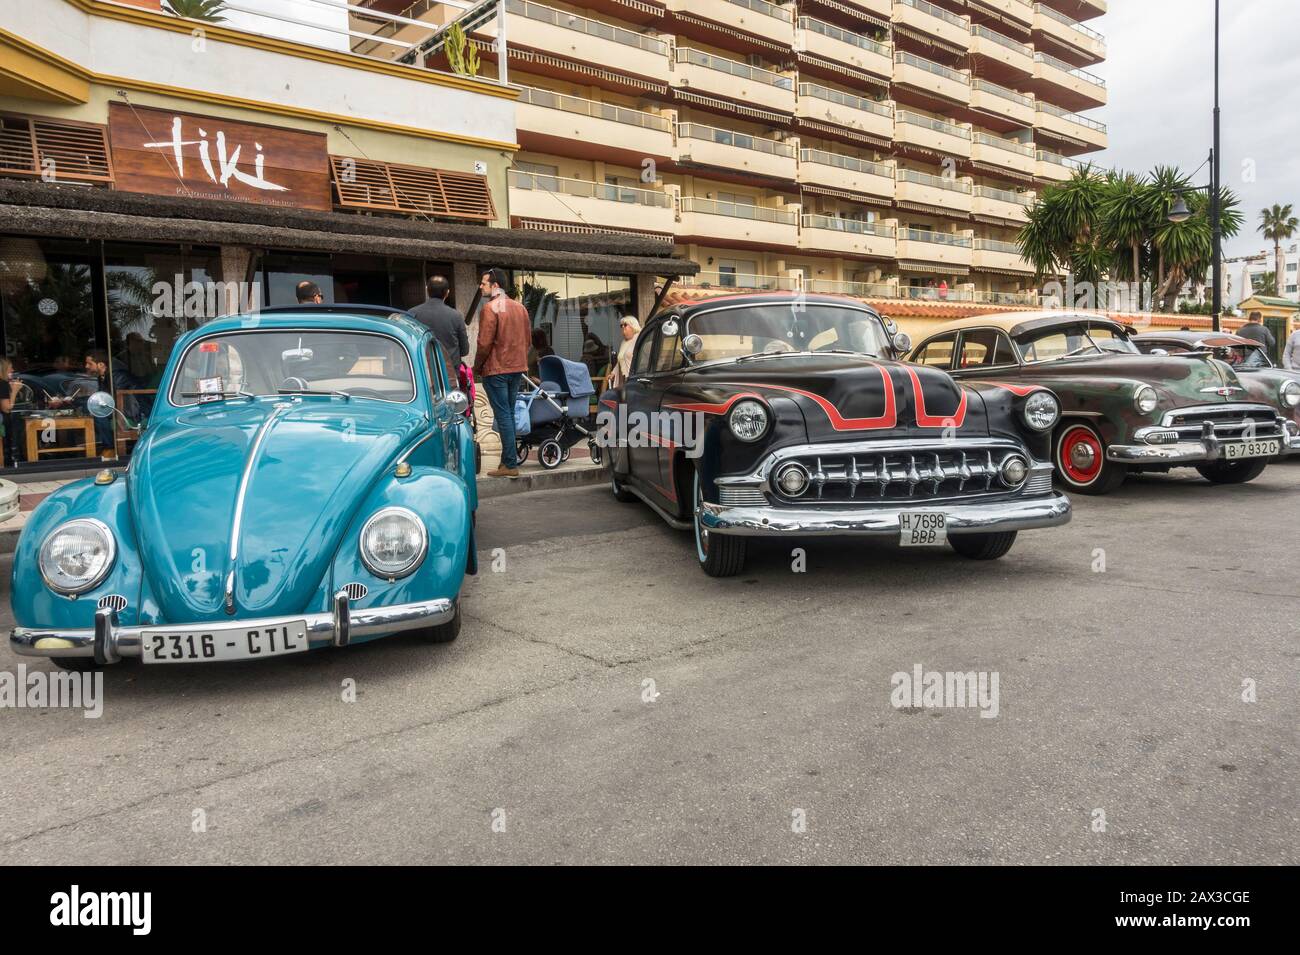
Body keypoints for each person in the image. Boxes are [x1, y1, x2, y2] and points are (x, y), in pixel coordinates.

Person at [473, 268, 530, 478]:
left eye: (484, 283)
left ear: (495, 285)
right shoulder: (520, 308)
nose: (481, 287)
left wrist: (476, 367)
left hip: (496, 369)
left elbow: (484, 343)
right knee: (508, 415)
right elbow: (528, 341)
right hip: (517, 368)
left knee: (503, 415)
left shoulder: (489, 308)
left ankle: (509, 463)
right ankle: (507, 461)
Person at [408, 275, 469, 383]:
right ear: (447, 293)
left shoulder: (412, 314)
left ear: (427, 290)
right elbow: (464, 350)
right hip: (450, 375)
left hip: (422, 374)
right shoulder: (456, 316)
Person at [610, 316, 640, 388]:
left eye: (625, 324)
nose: (623, 326)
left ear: (633, 326)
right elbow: (621, 359)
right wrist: (613, 373)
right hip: (624, 379)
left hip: (635, 378)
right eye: (621, 325)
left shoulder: (639, 338)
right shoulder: (623, 342)